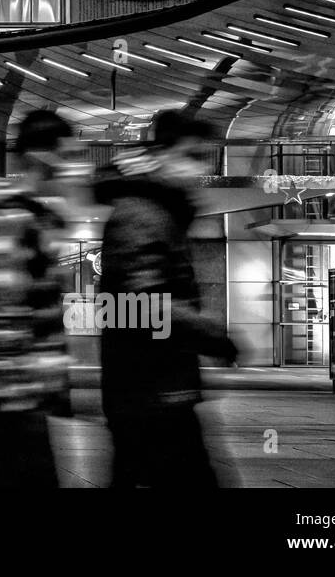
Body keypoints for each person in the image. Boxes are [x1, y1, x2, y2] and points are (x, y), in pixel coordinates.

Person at [96, 109, 238, 488]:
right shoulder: (141, 215)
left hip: (153, 388)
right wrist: (212, 333)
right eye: (191, 157)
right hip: (151, 391)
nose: (198, 171)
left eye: (203, 159)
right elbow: (141, 302)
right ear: (160, 154)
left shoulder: (155, 212)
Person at [0, 109, 83, 488]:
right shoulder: (10, 219)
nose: (75, 170)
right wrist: (34, 387)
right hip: (9, 398)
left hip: (15, 397)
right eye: (69, 156)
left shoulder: (32, 219)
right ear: (42, 157)